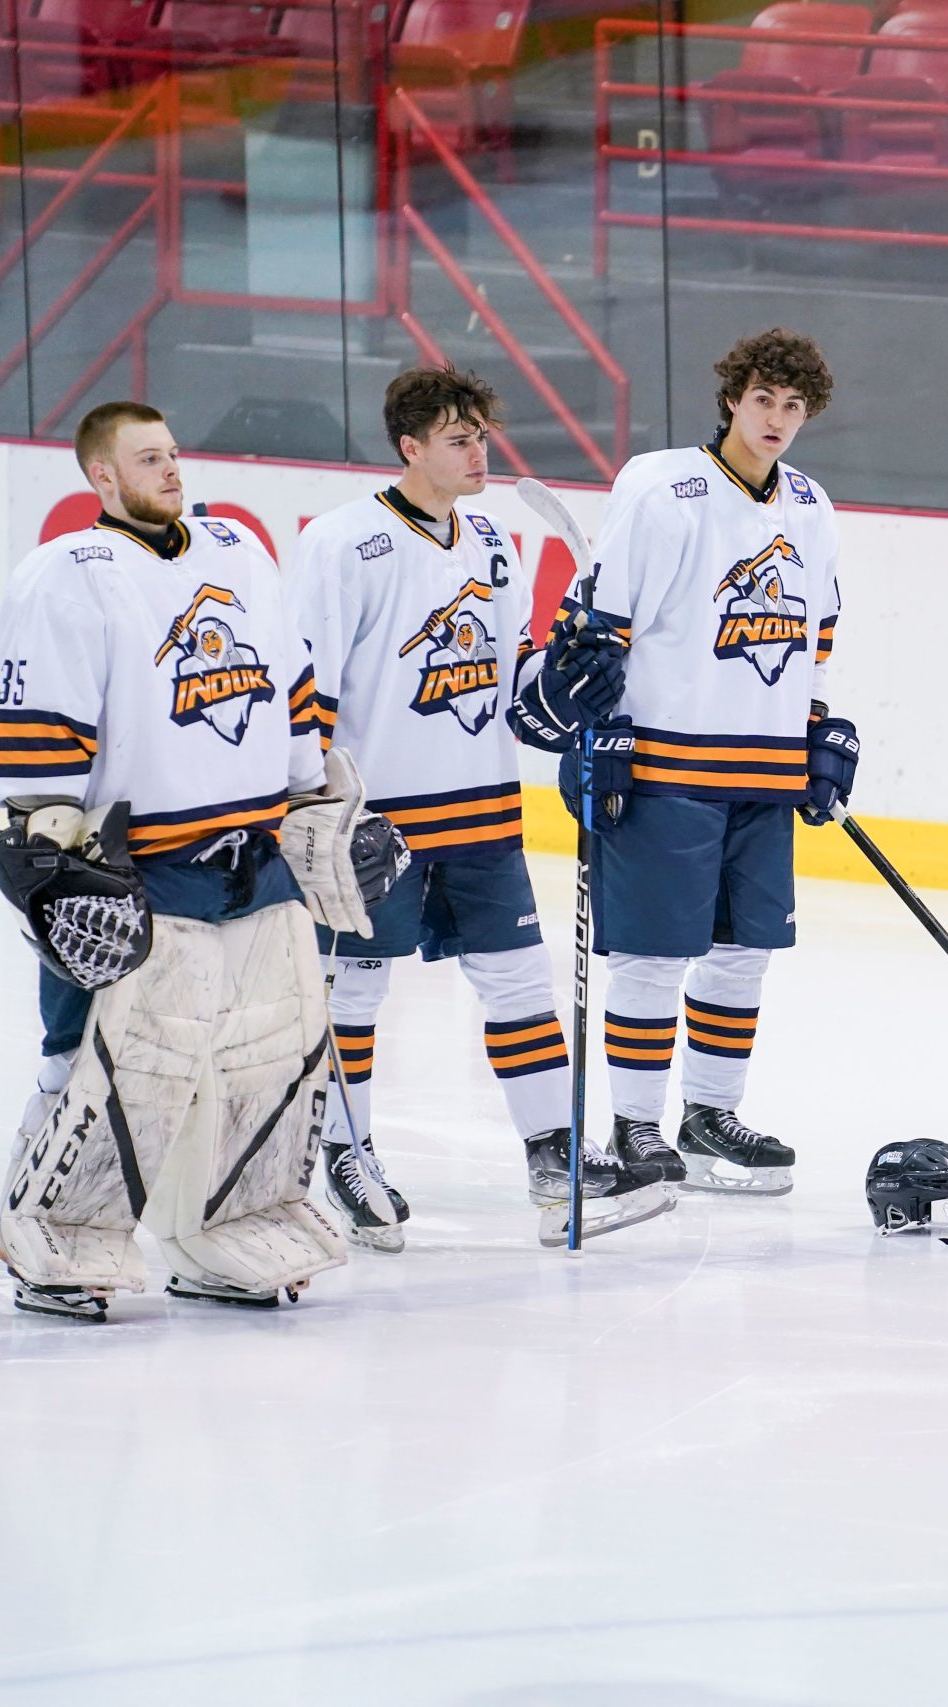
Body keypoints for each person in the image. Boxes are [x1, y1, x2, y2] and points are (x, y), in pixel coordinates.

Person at [0, 401, 406, 1319]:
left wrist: (315, 800)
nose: (173, 469)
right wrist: (48, 851)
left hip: (254, 854)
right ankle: (49, 1229)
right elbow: (38, 735)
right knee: (103, 1061)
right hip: (137, 865)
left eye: (173, 453)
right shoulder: (68, 575)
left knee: (265, 1055)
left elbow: (289, 688)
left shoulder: (238, 551)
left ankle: (228, 1226)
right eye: (148, 459)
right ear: (102, 476)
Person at [288, 365, 667, 1248]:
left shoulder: (494, 540)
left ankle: (556, 1154)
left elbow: (512, 683)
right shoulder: (342, 544)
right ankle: (346, 1153)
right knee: (356, 989)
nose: (477, 453)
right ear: (410, 446)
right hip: (375, 822)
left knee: (520, 980)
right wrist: (307, 809)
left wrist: (563, 679)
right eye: (458, 440)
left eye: (481, 437)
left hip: (482, 812)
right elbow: (306, 688)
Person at [538, 329, 857, 1197]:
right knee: (651, 954)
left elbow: (817, 632)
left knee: (743, 951)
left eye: (794, 406)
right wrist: (596, 733)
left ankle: (710, 1113)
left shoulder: (811, 505)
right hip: (666, 765)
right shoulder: (662, 488)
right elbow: (599, 630)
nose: (777, 419)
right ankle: (637, 1123)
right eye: (763, 400)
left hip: (764, 770)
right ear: (731, 399)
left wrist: (820, 724)